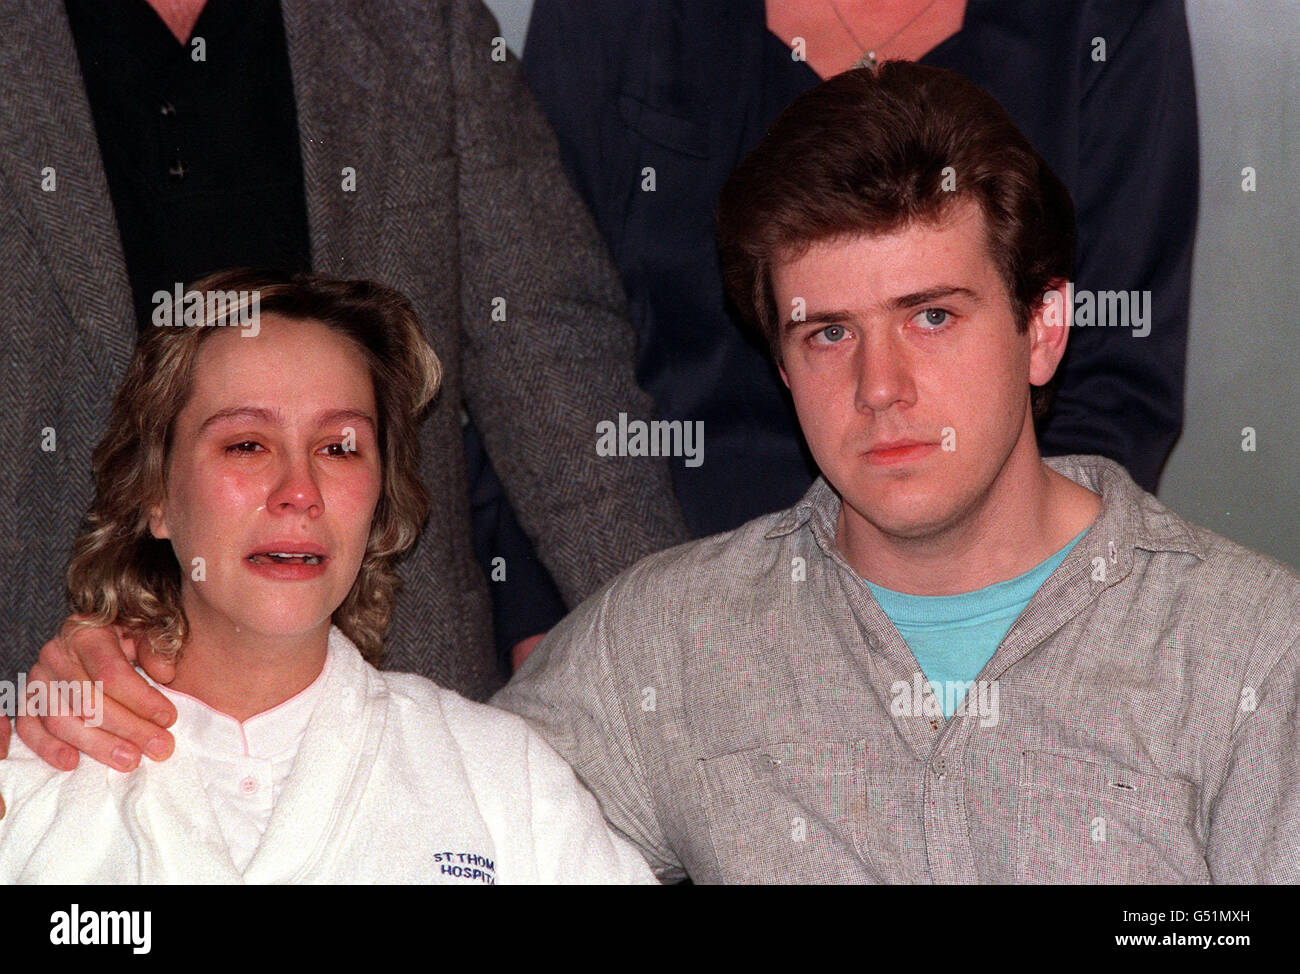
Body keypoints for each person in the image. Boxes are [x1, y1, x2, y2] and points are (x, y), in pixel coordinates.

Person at [0, 0, 688, 721]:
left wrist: (677, 680)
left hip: (402, 700)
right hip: (64, 708)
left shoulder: (421, 21)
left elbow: (556, 365)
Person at [0, 270, 656, 884]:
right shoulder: (30, 776)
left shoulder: (501, 774)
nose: (299, 491)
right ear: (156, 496)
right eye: (246, 444)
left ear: (378, 500)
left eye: (339, 447)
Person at [521, 0, 1197, 537]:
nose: (880, 388)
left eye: (933, 316)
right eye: (827, 332)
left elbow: (1117, 372)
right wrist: (596, 605)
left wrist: (1009, 601)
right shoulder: (618, 19)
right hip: (654, 549)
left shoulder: (1103, 19)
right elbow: (539, 323)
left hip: (995, 561)